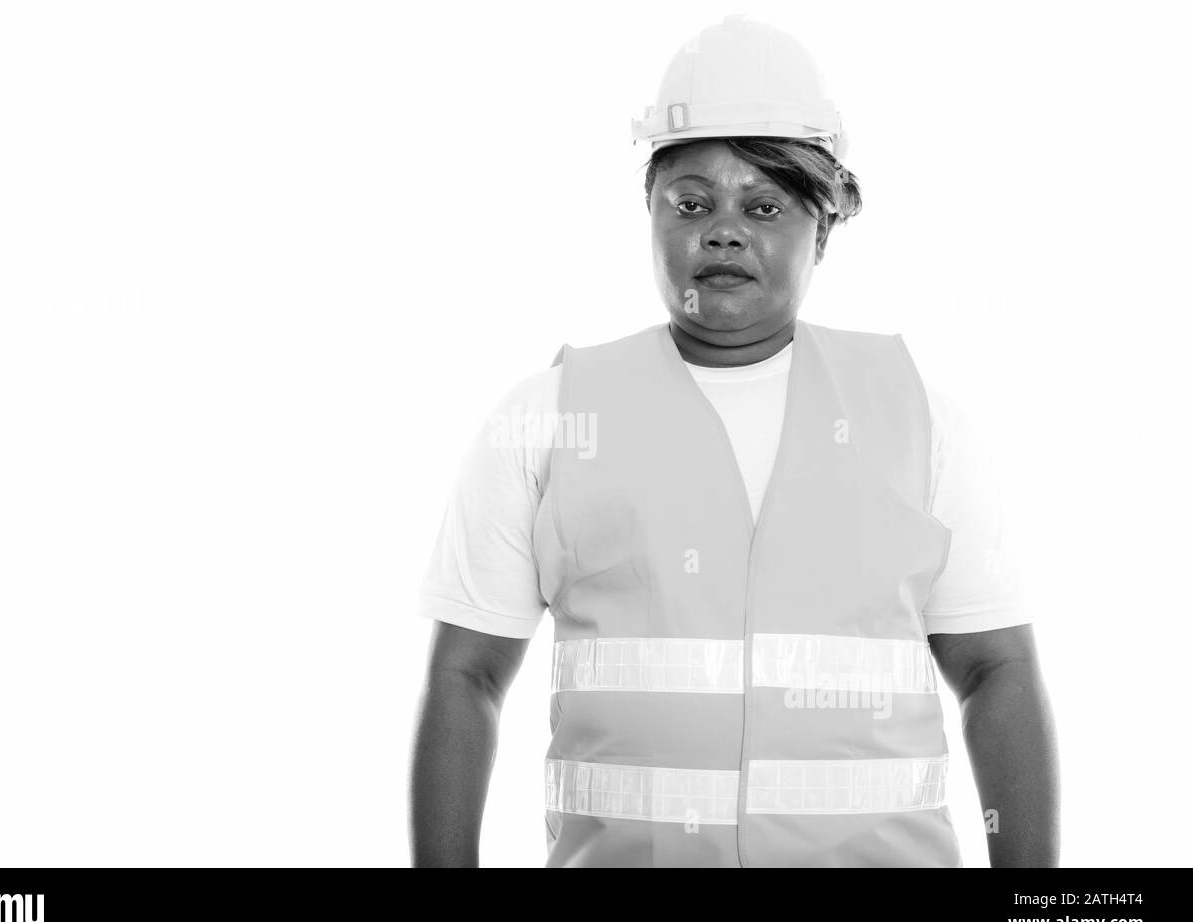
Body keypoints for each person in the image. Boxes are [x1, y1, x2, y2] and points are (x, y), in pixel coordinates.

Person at [409, 15, 1058, 868]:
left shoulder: (920, 421)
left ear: (822, 229)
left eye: (764, 205)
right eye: (691, 203)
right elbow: (466, 680)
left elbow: (997, 674)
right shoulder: (551, 417)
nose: (723, 231)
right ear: (649, 212)